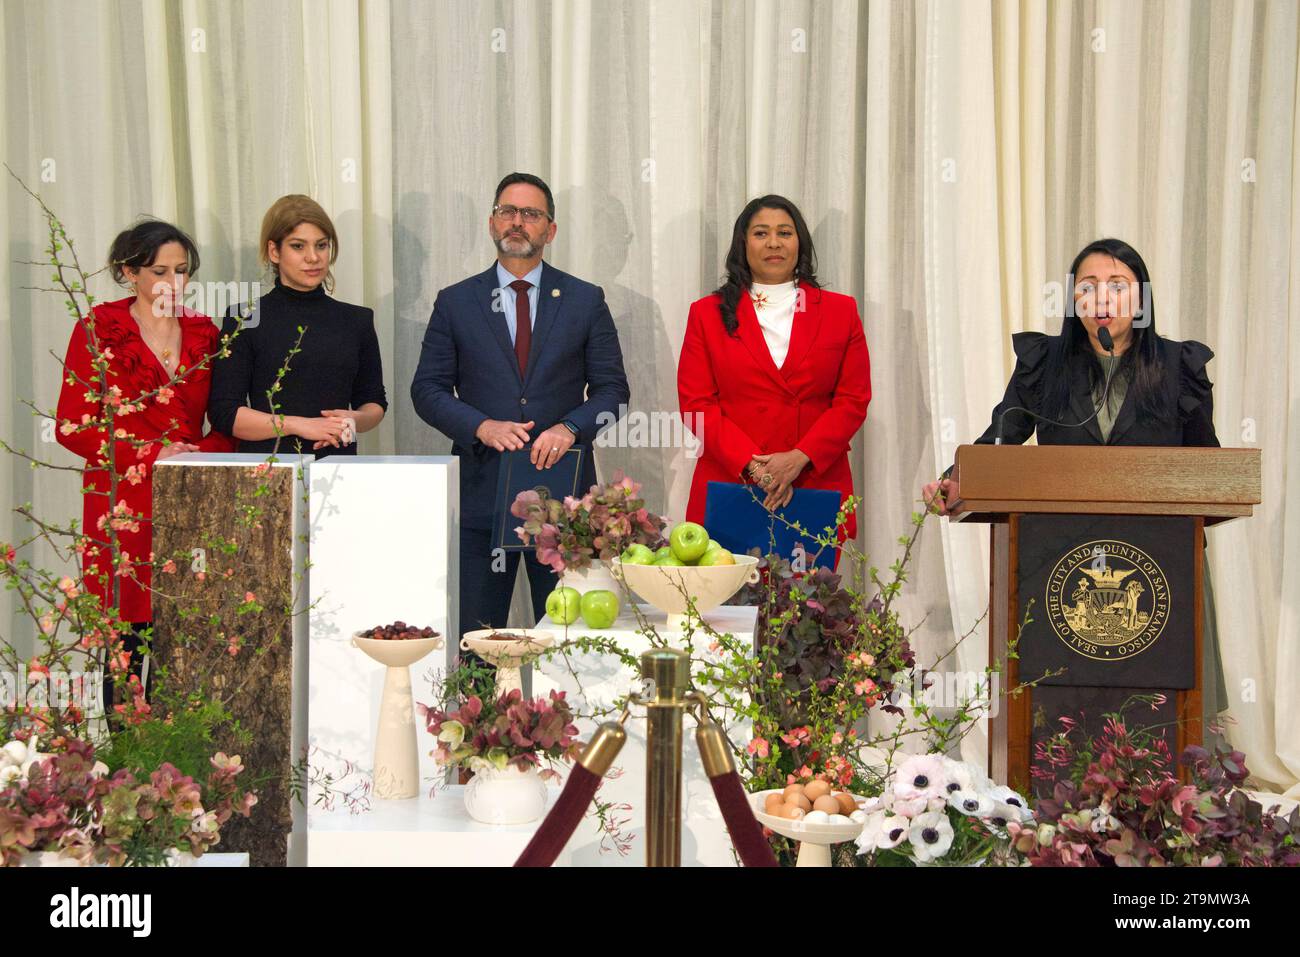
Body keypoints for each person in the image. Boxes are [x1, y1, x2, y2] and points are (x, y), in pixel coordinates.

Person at [921, 236, 1227, 720]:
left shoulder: (1178, 366)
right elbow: (1003, 434)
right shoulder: (1046, 365)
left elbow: (1207, 464)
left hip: (1162, 556)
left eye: (1117, 285)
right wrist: (956, 479)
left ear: (1141, 299)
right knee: (1067, 706)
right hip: (1063, 553)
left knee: (1163, 704)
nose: (1102, 298)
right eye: (1088, 287)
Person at [411, 172, 630, 635]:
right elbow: (426, 391)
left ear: (550, 230)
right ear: (492, 223)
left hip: (563, 508)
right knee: (477, 642)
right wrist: (480, 425)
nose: (517, 222)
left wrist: (569, 427)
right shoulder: (456, 302)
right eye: (508, 212)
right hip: (480, 498)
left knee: (565, 643)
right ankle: (472, 712)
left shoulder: (585, 300)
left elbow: (613, 392)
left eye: (531, 214)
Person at [55, 220, 236, 709]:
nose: (173, 284)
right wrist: (151, 453)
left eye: (182, 271)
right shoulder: (97, 328)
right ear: (127, 272)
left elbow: (226, 420)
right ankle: (127, 774)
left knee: (187, 645)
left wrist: (200, 456)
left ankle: (186, 778)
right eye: (160, 271)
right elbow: (72, 426)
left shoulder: (206, 333)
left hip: (191, 501)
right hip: (123, 506)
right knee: (125, 651)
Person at [677, 194, 870, 542]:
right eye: (761, 233)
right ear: (743, 243)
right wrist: (756, 467)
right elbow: (695, 405)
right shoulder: (707, 313)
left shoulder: (841, 311)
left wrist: (798, 458)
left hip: (813, 481)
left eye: (785, 232)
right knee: (726, 595)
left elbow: (853, 400)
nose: (774, 243)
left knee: (811, 595)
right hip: (732, 481)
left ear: (800, 242)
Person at [208, 195, 387, 457]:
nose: (313, 257)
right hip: (268, 472)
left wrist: (352, 420)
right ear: (274, 251)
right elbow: (225, 413)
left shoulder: (356, 320)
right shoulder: (244, 318)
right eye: (298, 246)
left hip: (340, 471)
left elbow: (374, 402)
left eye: (321, 245)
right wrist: (300, 425)